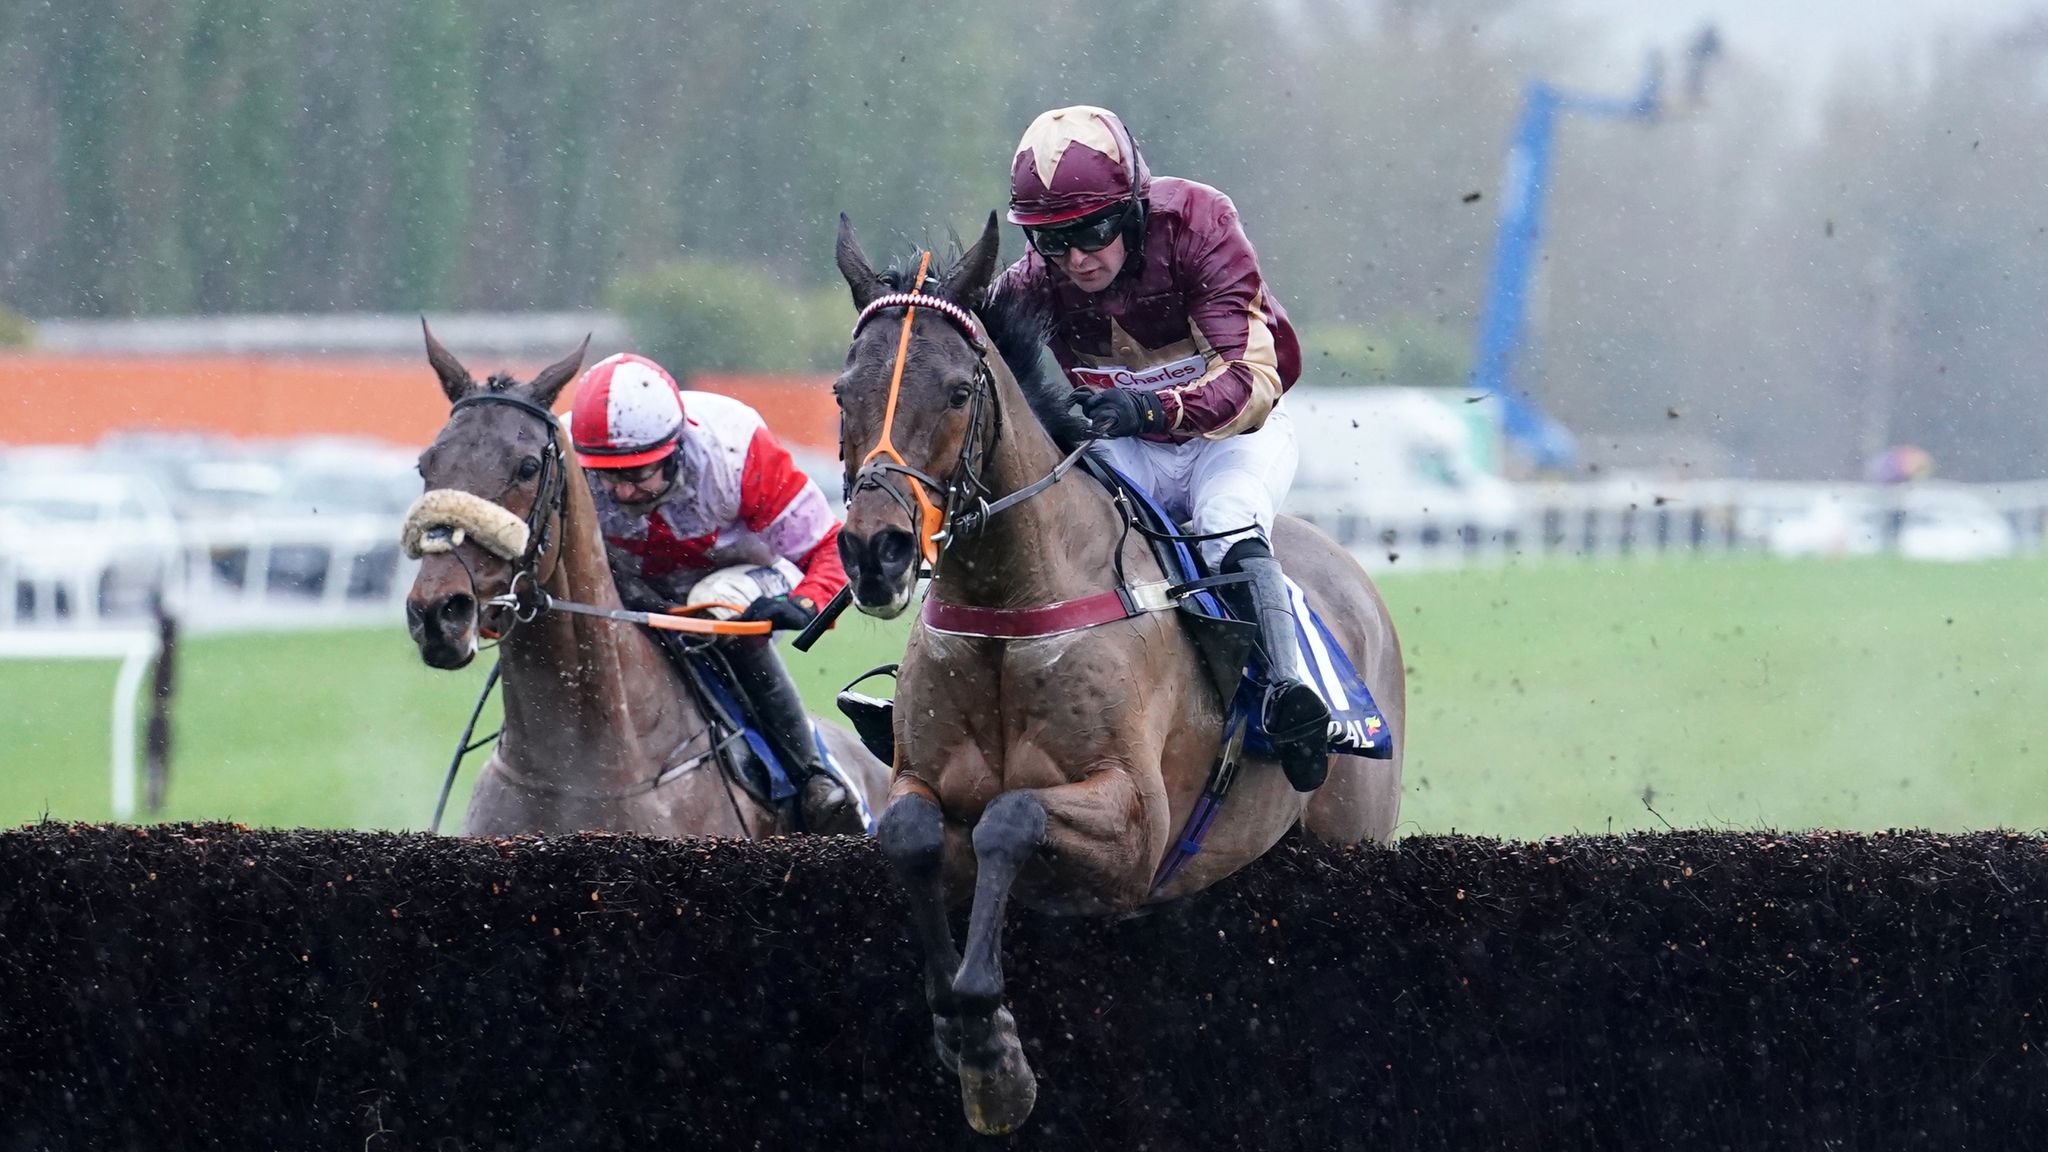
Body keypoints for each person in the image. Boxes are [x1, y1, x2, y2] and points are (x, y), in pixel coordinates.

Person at [991, 104, 1330, 792]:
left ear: (1135, 210)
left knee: (1225, 515)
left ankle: (1288, 695)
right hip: (1131, 443)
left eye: (1092, 231)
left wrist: (1147, 405)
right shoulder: (1032, 280)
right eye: (1051, 240)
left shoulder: (1200, 222)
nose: (1077, 258)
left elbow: (1257, 378)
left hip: (1231, 436)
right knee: (1049, 521)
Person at [567, 352, 857, 828]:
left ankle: (811, 774)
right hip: (629, 585)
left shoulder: (735, 451)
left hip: (742, 575)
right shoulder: (565, 455)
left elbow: (829, 548)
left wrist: (808, 602)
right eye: (607, 475)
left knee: (710, 601)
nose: (621, 492)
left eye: (638, 473)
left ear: (676, 447)